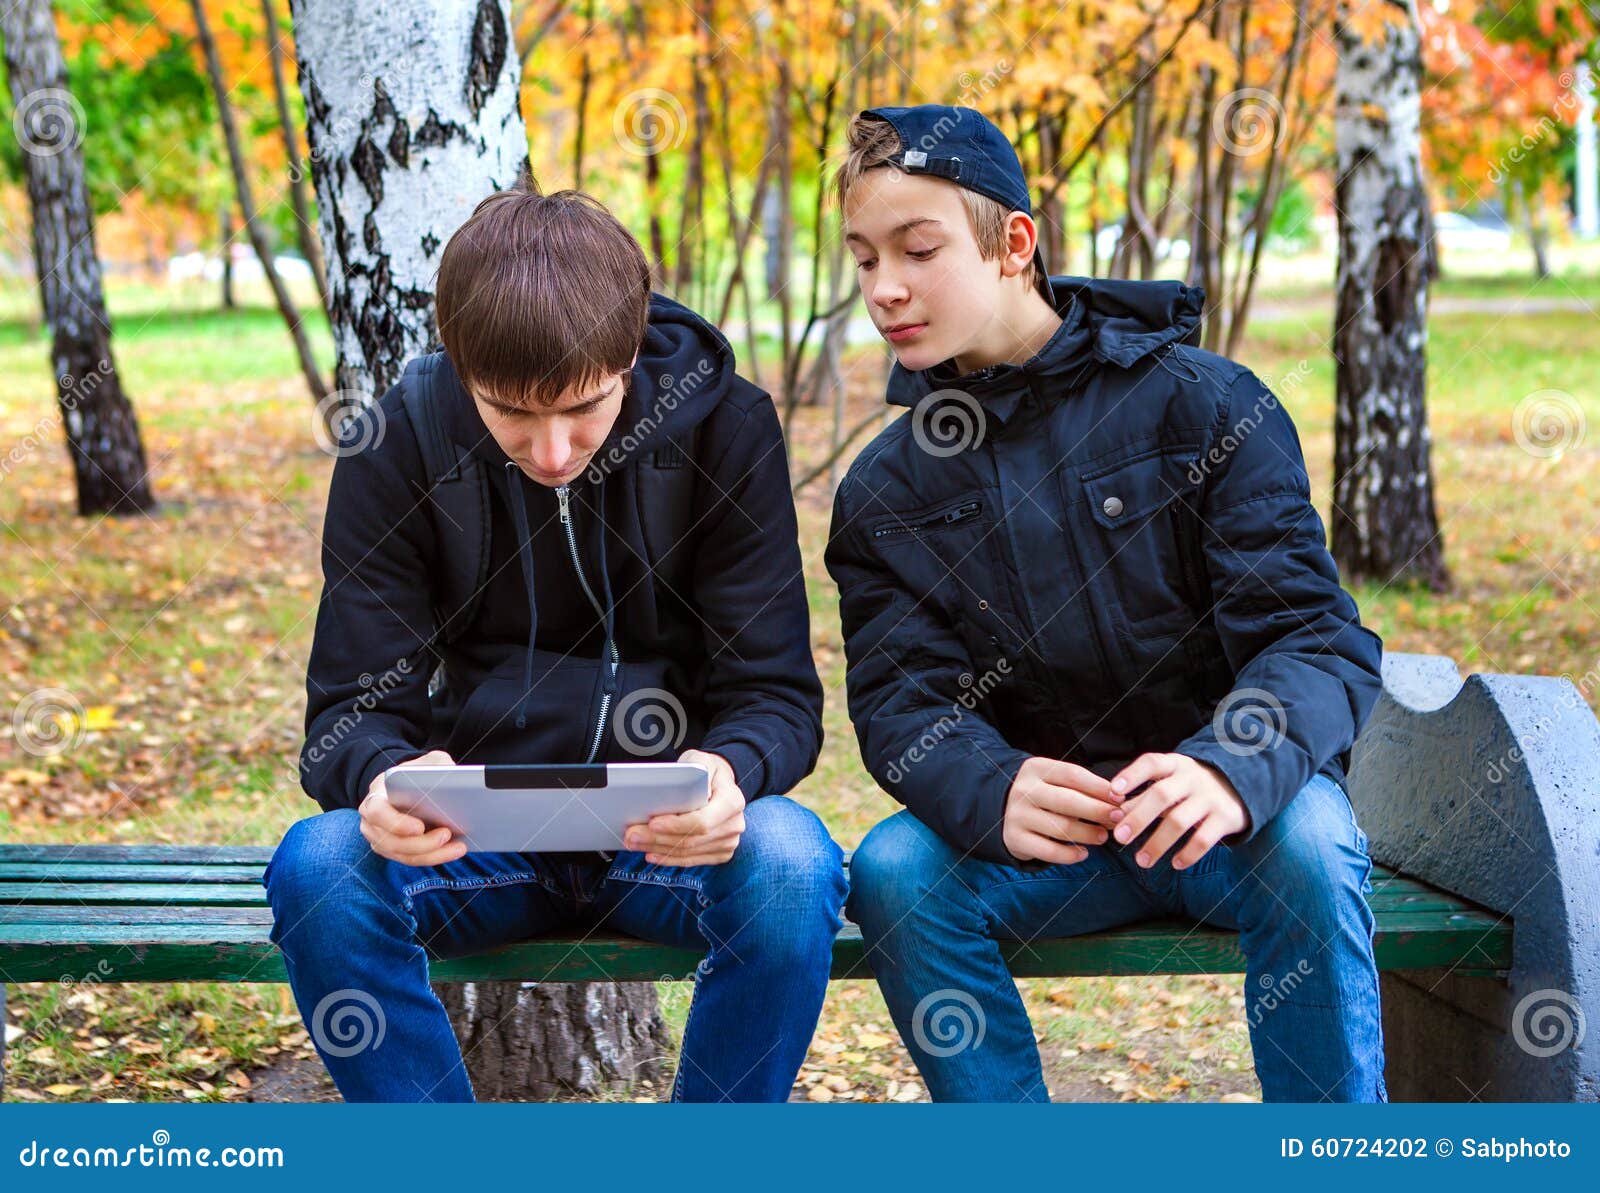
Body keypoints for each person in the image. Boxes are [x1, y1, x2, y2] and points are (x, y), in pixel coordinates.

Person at [825, 105, 1387, 1102]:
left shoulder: (1205, 407)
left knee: (1310, 837)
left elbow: (1314, 637)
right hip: (1050, 851)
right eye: (864, 259)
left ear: (1014, 244)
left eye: (917, 249)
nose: (885, 289)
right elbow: (901, 702)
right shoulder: (886, 488)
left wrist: (1230, 766)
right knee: (895, 869)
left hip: (1234, 824)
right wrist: (988, 786)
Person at [265, 182, 845, 1103]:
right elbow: (349, 712)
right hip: (474, 842)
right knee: (319, 868)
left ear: (627, 355)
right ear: (460, 368)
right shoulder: (396, 441)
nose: (550, 451)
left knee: (790, 860)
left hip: (666, 839)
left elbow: (775, 694)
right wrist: (378, 780)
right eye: (509, 413)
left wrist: (731, 773)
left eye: (583, 407)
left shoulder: (727, 428)